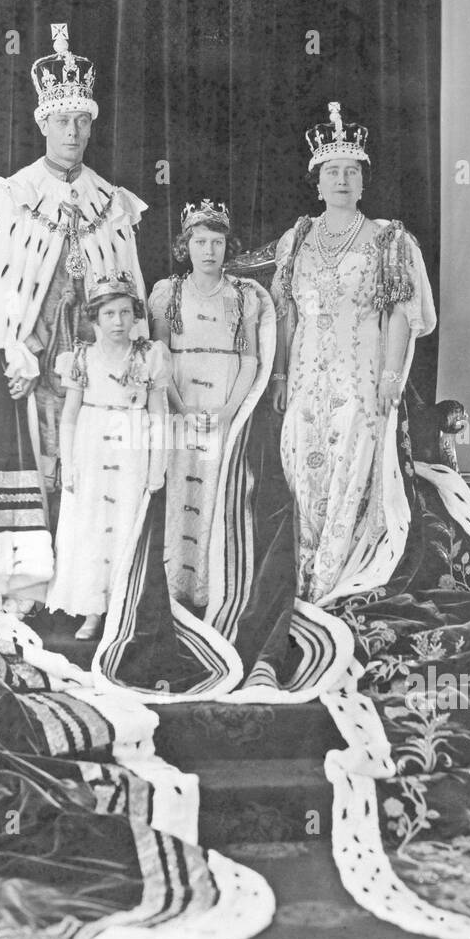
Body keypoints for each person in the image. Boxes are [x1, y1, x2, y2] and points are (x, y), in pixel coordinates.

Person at [0, 24, 148, 616]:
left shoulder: (110, 200)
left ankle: (91, 587)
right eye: (62, 122)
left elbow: (128, 292)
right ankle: (28, 585)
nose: (73, 132)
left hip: (93, 359)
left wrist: (128, 359)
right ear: (43, 125)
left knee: (87, 464)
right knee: (41, 461)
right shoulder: (11, 197)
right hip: (28, 358)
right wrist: (15, 352)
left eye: (82, 122)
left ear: (91, 125)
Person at [270, 102, 436, 604]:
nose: (341, 180)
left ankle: (333, 581)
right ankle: (302, 575)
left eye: (350, 172)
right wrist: (279, 376)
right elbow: (284, 315)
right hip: (303, 379)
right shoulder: (296, 239)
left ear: (363, 182)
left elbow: (402, 314)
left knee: (351, 461)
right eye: (331, 172)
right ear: (316, 181)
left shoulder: (389, 239)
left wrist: (391, 377)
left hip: (360, 379)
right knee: (301, 463)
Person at [148, 200, 261, 609]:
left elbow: (249, 359)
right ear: (186, 245)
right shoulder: (168, 292)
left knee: (220, 491)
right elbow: (159, 355)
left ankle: (213, 590)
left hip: (223, 404)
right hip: (182, 403)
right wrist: (178, 407)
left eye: (217, 241)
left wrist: (230, 409)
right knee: (180, 486)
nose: (209, 250)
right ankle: (176, 588)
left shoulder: (243, 296)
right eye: (200, 241)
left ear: (227, 245)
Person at [46, 274, 168, 638]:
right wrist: (68, 466)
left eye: (126, 313)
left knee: (126, 528)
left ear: (135, 316)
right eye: (110, 313)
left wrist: (157, 467)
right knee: (90, 528)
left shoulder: (149, 356)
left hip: (132, 449)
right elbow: (68, 417)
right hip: (91, 447)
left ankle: (122, 607)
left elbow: (160, 414)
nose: (118, 321)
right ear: (95, 318)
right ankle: (92, 610)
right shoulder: (81, 357)